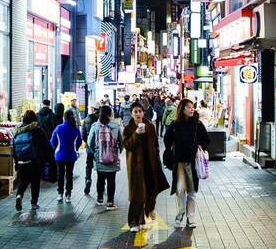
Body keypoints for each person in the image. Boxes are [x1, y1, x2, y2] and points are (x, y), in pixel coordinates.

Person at [163, 98, 211, 229]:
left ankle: (191, 218)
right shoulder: (175, 124)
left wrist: (200, 147)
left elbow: (206, 139)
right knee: (180, 190)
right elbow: (167, 140)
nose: (192, 109)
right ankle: (180, 214)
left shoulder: (197, 124)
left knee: (192, 191)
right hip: (179, 163)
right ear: (182, 109)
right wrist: (170, 151)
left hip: (192, 163)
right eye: (189, 107)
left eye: (193, 107)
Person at [122, 100, 169, 232]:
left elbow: (155, 144)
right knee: (136, 194)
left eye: (140, 111)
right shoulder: (128, 128)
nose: (138, 114)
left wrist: (156, 157)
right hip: (135, 167)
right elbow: (127, 145)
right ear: (131, 114)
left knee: (150, 190)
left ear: (143, 113)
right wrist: (136, 133)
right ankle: (133, 222)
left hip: (150, 164)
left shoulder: (150, 126)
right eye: (135, 112)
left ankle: (146, 213)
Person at [12, 109, 52, 212]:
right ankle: (34, 203)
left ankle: (19, 195)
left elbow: (13, 149)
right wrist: (49, 157)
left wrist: (16, 162)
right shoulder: (37, 130)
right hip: (35, 161)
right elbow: (47, 145)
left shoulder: (17, 131)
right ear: (35, 119)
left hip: (22, 161)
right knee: (35, 182)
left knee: (24, 180)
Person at [86, 105, 122, 210]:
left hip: (99, 157)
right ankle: (110, 202)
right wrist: (117, 152)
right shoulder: (116, 126)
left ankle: (100, 199)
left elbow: (89, 142)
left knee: (100, 179)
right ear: (110, 114)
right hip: (113, 158)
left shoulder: (95, 126)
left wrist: (96, 153)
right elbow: (121, 142)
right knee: (111, 180)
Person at [50, 109, 82, 201]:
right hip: (71, 155)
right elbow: (79, 142)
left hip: (59, 155)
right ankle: (68, 194)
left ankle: (60, 194)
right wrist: (75, 149)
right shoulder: (76, 129)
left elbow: (52, 141)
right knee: (69, 174)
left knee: (60, 174)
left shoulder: (59, 128)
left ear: (64, 117)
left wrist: (55, 148)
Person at [81, 104, 101, 196]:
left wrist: (88, 142)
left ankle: (88, 179)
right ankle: (102, 184)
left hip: (89, 146)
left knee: (88, 165)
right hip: (99, 146)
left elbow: (83, 134)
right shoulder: (100, 120)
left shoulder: (86, 119)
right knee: (100, 165)